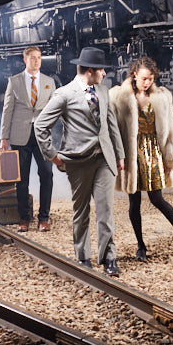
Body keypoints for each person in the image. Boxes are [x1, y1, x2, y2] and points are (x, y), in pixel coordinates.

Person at [33, 46, 126, 277]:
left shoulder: (103, 91)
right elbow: (40, 125)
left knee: (105, 210)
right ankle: (83, 257)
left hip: (104, 158)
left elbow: (110, 123)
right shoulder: (64, 94)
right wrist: (52, 155)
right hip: (78, 161)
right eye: (101, 70)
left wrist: (120, 154)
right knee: (81, 211)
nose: (104, 74)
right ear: (90, 70)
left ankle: (109, 258)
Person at [109, 57, 173, 262]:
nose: (147, 83)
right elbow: (114, 129)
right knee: (134, 201)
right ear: (134, 74)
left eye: (151, 79)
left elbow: (172, 129)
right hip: (131, 153)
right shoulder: (119, 97)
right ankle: (141, 246)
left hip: (153, 151)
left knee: (157, 199)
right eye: (144, 78)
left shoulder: (162, 97)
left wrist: (171, 157)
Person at [0, 46, 56, 232]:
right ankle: (24, 218)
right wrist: (3, 137)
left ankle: (44, 218)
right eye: (33, 58)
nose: (37, 61)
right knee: (21, 179)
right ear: (25, 60)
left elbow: (54, 109)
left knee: (47, 175)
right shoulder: (14, 81)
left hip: (42, 135)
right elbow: (7, 110)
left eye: (39, 57)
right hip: (19, 135)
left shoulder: (49, 82)